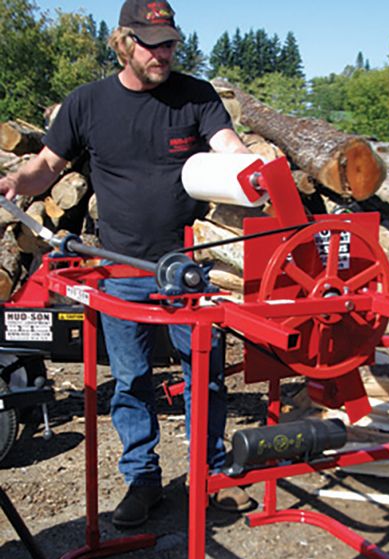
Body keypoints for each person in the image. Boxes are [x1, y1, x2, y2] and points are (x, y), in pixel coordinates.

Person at [0, 0, 254, 528]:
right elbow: (47, 166)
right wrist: (14, 183)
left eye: (169, 43)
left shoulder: (196, 96)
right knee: (132, 380)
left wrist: (253, 169)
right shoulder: (87, 103)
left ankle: (213, 474)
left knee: (205, 377)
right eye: (150, 42)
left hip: (190, 268)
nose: (162, 53)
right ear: (123, 43)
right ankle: (143, 481)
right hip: (119, 268)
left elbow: (227, 145)